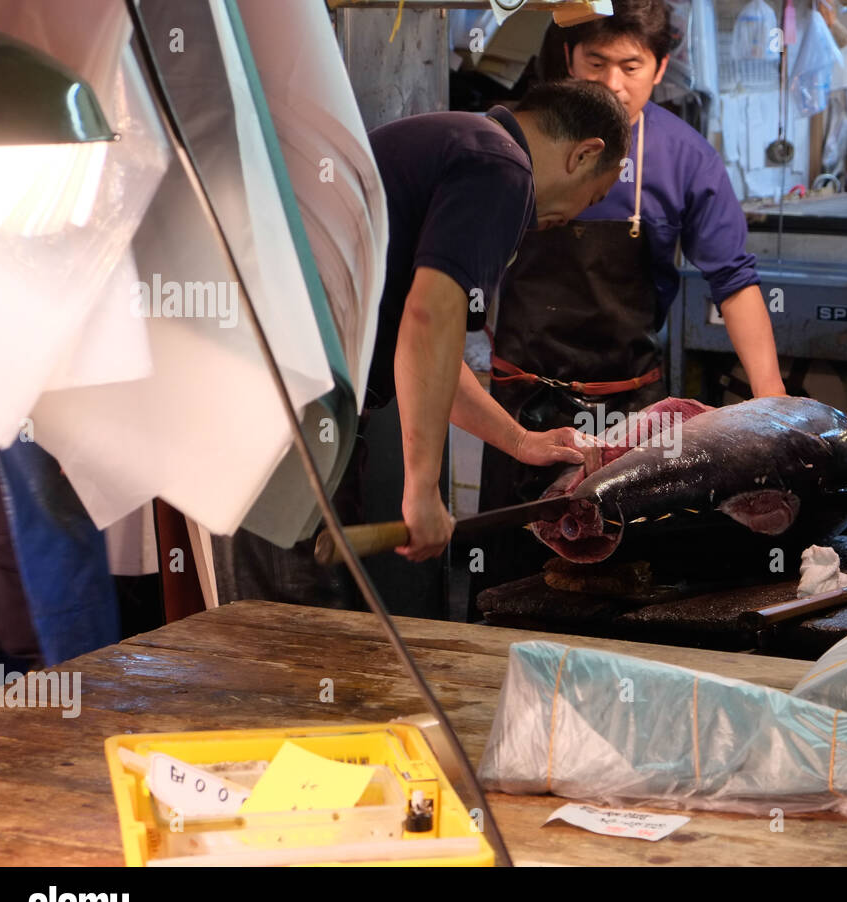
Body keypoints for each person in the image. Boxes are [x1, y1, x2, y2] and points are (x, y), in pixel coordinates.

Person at [212, 80, 630, 610]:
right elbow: (429, 318)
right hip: (284, 413)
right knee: (291, 640)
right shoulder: (501, 168)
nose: (571, 220)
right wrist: (422, 489)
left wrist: (520, 441)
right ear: (585, 154)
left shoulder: (465, 141)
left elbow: (432, 347)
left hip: (271, 406)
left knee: (298, 629)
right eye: (591, 198)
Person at [455, 0, 786, 611]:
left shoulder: (684, 157)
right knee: (508, 588)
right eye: (595, 62)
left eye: (630, 66)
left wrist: (771, 405)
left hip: (633, 414)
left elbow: (733, 280)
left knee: (625, 588)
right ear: (566, 59)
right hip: (522, 409)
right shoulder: (514, 146)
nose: (612, 83)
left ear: (660, 68)